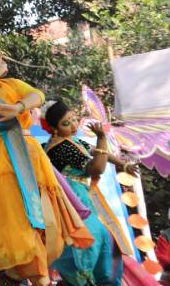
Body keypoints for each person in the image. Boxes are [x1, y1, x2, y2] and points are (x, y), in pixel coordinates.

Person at [0, 37, 92, 286]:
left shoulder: (11, 85)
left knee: (43, 214)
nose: (2, 63)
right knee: (14, 220)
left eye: (0, 58)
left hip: (29, 158)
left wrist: (18, 107)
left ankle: (34, 271)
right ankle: (30, 272)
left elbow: (37, 95)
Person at [42, 99, 132, 286]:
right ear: (54, 128)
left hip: (79, 199)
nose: (74, 125)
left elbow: (95, 151)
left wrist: (123, 163)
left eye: (74, 119)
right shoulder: (61, 148)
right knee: (93, 243)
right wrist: (101, 137)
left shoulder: (69, 141)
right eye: (66, 123)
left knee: (99, 242)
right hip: (74, 202)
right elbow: (97, 168)